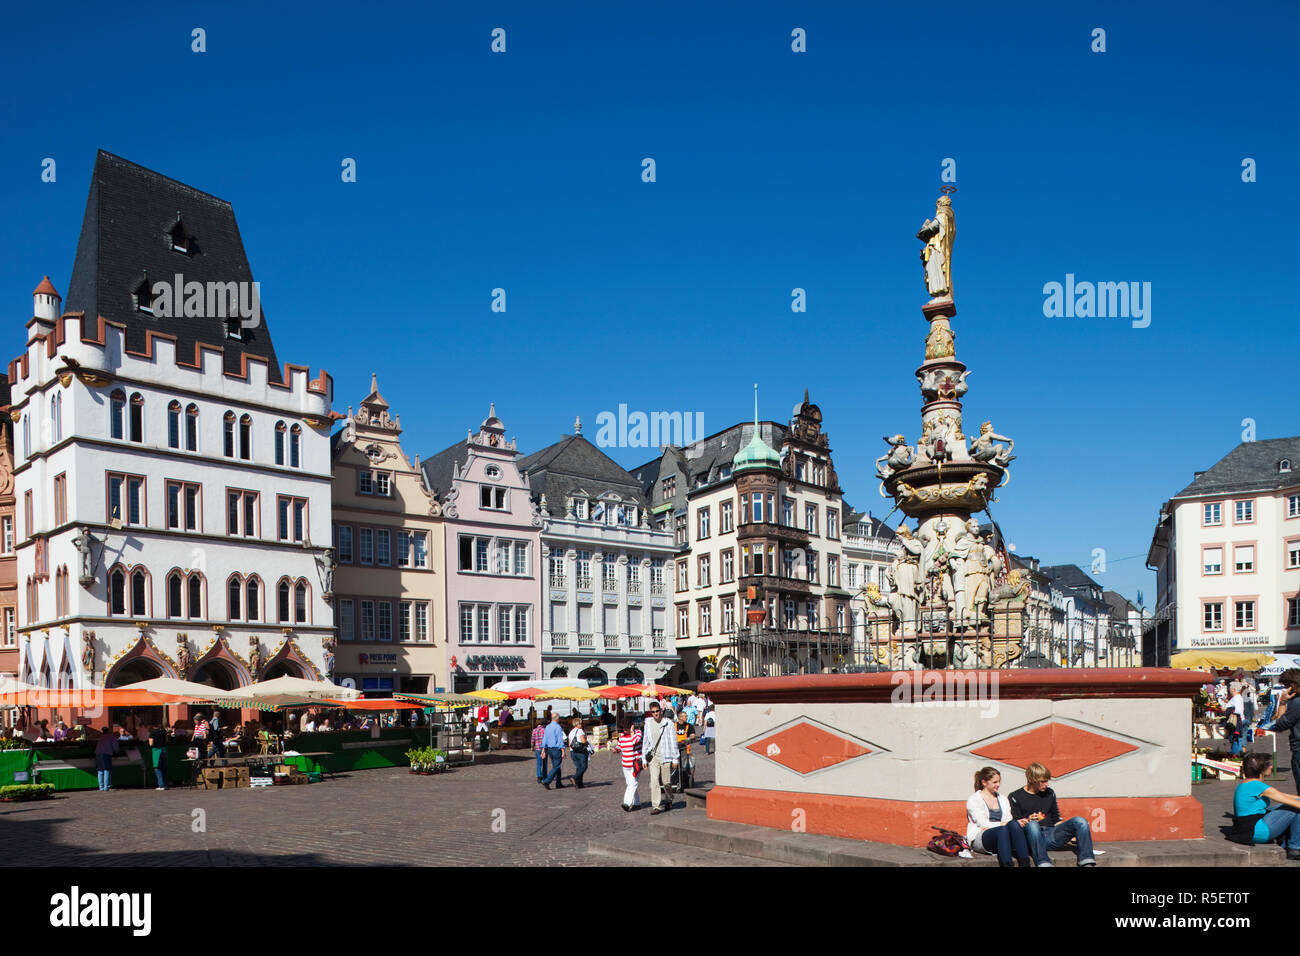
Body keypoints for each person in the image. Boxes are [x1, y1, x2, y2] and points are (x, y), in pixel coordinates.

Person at [1007, 762, 1097, 867]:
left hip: (1051, 834)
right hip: (1032, 838)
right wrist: (1028, 820)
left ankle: (1087, 861)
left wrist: (1070, 834)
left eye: (1047, 781)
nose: (1047, 784)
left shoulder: (1049, 793)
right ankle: (1043, 862)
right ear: (1032, 780)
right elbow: (1015, 826)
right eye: (1043, 781)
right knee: (1033, 825)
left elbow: (1056, 819)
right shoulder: (1015, 796)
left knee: (1080, 821)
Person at [1231, 753, 1300, 859]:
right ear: (1261, 770)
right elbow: (1291, 802)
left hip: (1246, 829)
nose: (1271, 767)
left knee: (1286, 805)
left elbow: (1282, 795)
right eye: (1269, 765)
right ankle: (1295, 847)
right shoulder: (1257, 786)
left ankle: (1286, 841)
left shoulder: (1246, 784)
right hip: (1257, 831)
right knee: (1295, 807)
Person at [966, 766, 1032, 866]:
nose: (998, 785)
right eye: (995, 782)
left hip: (1003, 836)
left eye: (999, 782)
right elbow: (982, 823)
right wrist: (1004, 824)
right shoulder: (974, 799)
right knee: (1002, 829)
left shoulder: (1002, 799)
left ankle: (1025, 863)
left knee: (1013, 824)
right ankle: (1007, 864)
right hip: (982, 837)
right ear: (984, 782)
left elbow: (1008, 820)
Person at [641, 701, 679, 814]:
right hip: (653, 757)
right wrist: (644, 758)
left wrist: (675, 758)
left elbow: (673, 741)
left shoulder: (668, 724)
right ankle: (656, 805)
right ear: (650, 713)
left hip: (666, 756)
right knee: (654, 782)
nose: (655, 714)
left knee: (666, 782)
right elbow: (646, 741)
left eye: (657, 711)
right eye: (653, 712)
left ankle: (669, 799)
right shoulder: (648, 724)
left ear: (660, 711)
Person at [1267, 669, 1300, 794]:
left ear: (1291, 687)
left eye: (1285, 687)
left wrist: (1282, 702)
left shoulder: (1297, 703)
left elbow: (1278, 725)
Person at [618, 718, 643, 811]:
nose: (625, 730)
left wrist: (632, 731)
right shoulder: (622, 736)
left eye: (627, 728)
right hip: (625, 764)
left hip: (635, 763)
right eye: (623, 728)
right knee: (630, 783)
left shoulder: (638, 733)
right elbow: (620, 746)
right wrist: (616, 749)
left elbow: (635, 741)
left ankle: (627, 803)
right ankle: (637, 803)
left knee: (632, 784)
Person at [541, 712, 567, 789]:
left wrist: (543, 750)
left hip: (549, 749)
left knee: (556, 766)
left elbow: (545, 739)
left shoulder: (547, 727)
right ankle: (547, 780)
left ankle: (558, 783)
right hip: (556, 749)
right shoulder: (558, 727)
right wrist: (563, 751)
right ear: (557, 718)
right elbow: (560, 740)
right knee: (556, 766)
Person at [94, 727, 120, 791]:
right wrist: (116, 751)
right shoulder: (112, 737)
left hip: (98, 754)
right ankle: (107, 787)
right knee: (107, 770)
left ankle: (101, 787)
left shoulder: (101, 737)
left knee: (100, 771)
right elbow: (116, 748)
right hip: (106, 754)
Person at [567, 717, 590, 789]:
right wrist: (587, 743)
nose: (582, 725)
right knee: (584, 766)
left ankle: (579, 783)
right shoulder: (580, 731)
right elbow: (583, 741)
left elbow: (569, 744)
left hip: (573, 751)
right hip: (580, 751)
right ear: (578, 724)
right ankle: (574, 778)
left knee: (578, 767)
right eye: (581, 723)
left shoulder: (571, 732)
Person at [1223, 683, 1246, 756]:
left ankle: (1236, 754)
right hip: (1235, 721)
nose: (1229, 689)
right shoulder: (1235, 697)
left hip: (1236, 722)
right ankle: (1235, 753)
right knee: (1234, 739)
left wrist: (1226, 709)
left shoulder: (1237, 698)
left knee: (1236, 739)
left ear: (1234, 689)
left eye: (1230, 688)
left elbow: (1238, 710)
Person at [149, 724, 169, 790]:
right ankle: (165, 784)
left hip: (156, 751)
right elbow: (166, 740)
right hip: (164, 750)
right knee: (164, 768)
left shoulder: (152, 732)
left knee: (158, 768)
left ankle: (161, 785)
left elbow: (151, 743)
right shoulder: (164, 731)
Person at [532, 717, 549, 784]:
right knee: (544, 763)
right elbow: (546, 739)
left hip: (537, 748)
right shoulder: (544, 730)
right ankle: (544, 776)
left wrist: (532, 746)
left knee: (539, 764)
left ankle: (539, 776)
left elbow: (532, 740)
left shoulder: (534, 730)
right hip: (544, 748)